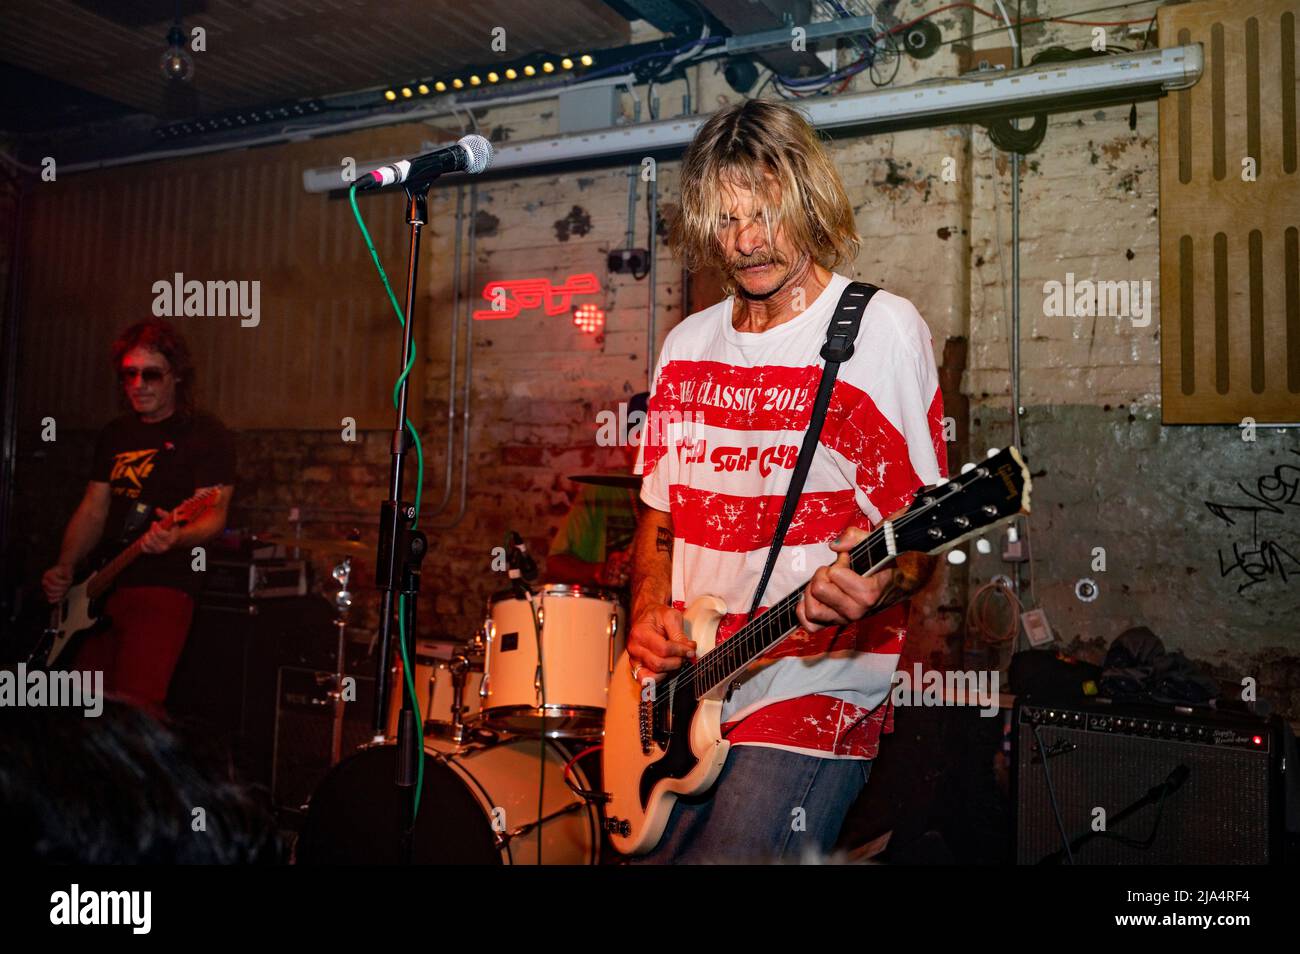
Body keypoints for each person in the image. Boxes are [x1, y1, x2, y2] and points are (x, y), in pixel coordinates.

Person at [626, 100, 948, 863]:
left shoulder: (879, 331)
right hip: (685, 691)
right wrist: (644, 608)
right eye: (728, 219)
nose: (747, 241)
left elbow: (922, 541)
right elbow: (658, 518)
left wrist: (883, 582)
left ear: (811, 200)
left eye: (767, 214)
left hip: (812, 686)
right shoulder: (684, 346)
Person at [40, 318, 234, 716]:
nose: (138, 384)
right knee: (79, 710)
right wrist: (65, 566)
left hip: (164, 585)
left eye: (151, 374)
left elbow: (213, 512)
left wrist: (175, 538)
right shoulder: (115, 433)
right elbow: (94, 508)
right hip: (99, 587)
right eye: (129, 374)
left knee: (137, 709)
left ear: (177, 376)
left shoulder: (205, 434)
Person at [546, 391, 648, 590]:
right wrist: (599, 571)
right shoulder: (602, 491)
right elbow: (556, 563)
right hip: (608, 615)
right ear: (626, 444)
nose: (655, 448)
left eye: (663, 438)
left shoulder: (690, 496)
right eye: (644, 436)